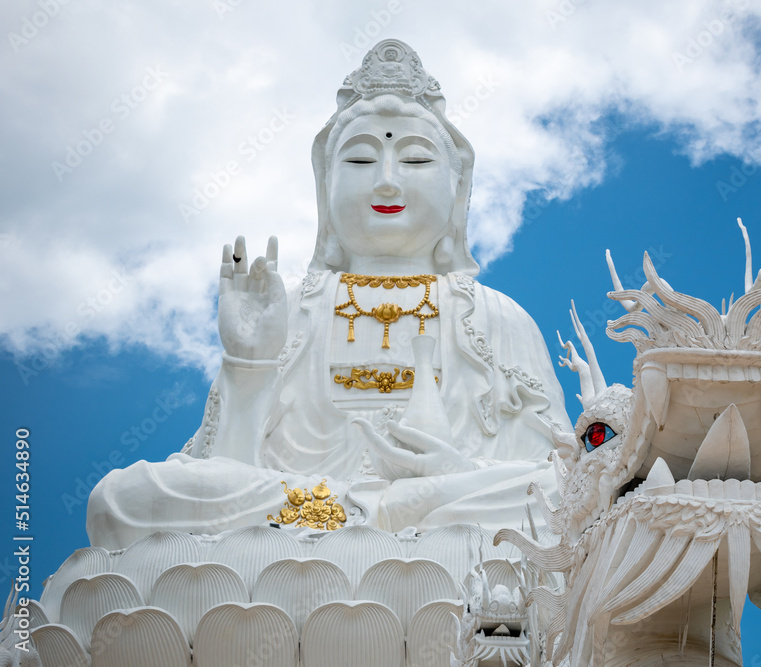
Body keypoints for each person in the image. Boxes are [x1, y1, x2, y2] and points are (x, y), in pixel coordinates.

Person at [87, 40, 572, 550]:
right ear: (326, 185)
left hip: (441, 513)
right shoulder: (295, 306)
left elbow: (560, 478)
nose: (386, 182)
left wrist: (455, 473)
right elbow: (225, 470)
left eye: (414, 160)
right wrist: (247, 366)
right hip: (308, 512)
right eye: (361, 160)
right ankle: (369, 518)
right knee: (123, 498)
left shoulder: (494, 316)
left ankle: (376, 521)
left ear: (456, 190)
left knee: (559, 494)